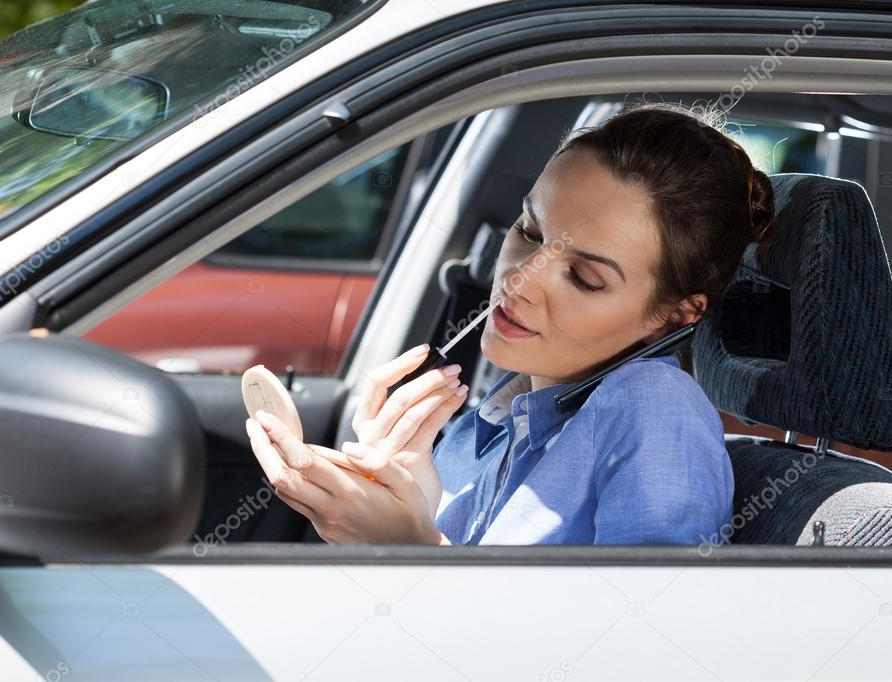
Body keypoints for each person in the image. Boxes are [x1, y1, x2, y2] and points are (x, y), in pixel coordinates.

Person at [246, 102, 775, 545]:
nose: (520, 280)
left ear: (676, 314)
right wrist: (413, 489)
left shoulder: (656, 407)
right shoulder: (494, 418)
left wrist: (412, 550)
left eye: (585, 278)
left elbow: (644, 646)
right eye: (529, 230)